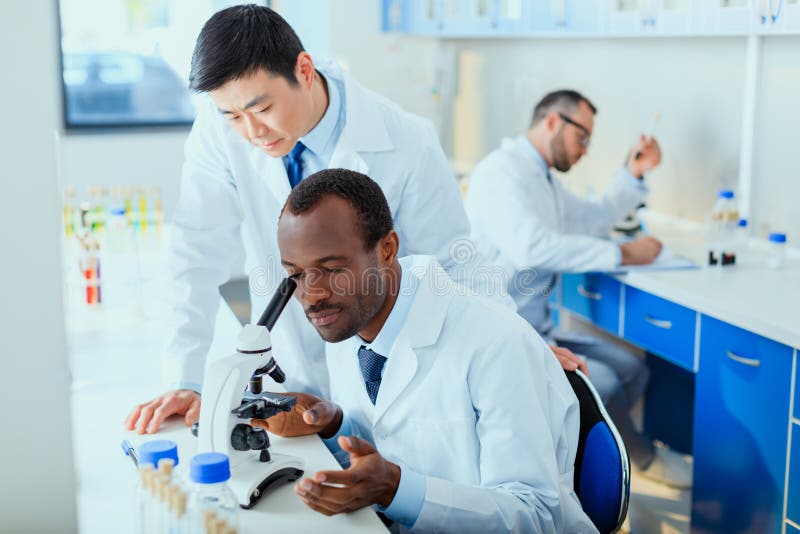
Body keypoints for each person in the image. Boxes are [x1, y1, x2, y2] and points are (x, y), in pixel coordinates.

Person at [125, 5, 488, 435]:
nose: (251, 132)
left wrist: (509, 344)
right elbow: (195, 250)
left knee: (380, 484)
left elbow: (452, 263)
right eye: (233, 116)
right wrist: (184, 378)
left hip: (388, 375)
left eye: (261, 108)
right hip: (292, 372)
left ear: (304, 70)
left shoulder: (405, 141)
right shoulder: (220, 131)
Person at [253, 168, 597, 532]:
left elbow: (537, 515)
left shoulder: (496, 344)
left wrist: (394, 489)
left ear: (386, 250)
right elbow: (391, 439)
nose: (312, 295)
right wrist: (334, 426)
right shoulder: (345, 323)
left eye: (333, 269)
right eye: (296, 275)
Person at [465, 89, 691, 488]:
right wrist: (625, 253)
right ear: (553, 121)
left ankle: (611, 464)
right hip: (504, 336)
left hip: (537, 326)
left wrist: (633, 175)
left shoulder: (541, 180)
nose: (584, 149)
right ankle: (636, 461)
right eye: (582, 137)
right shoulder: (500, 173)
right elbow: (532, 246)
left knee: (632, 369)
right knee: (601, 382)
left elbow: (590, 217)